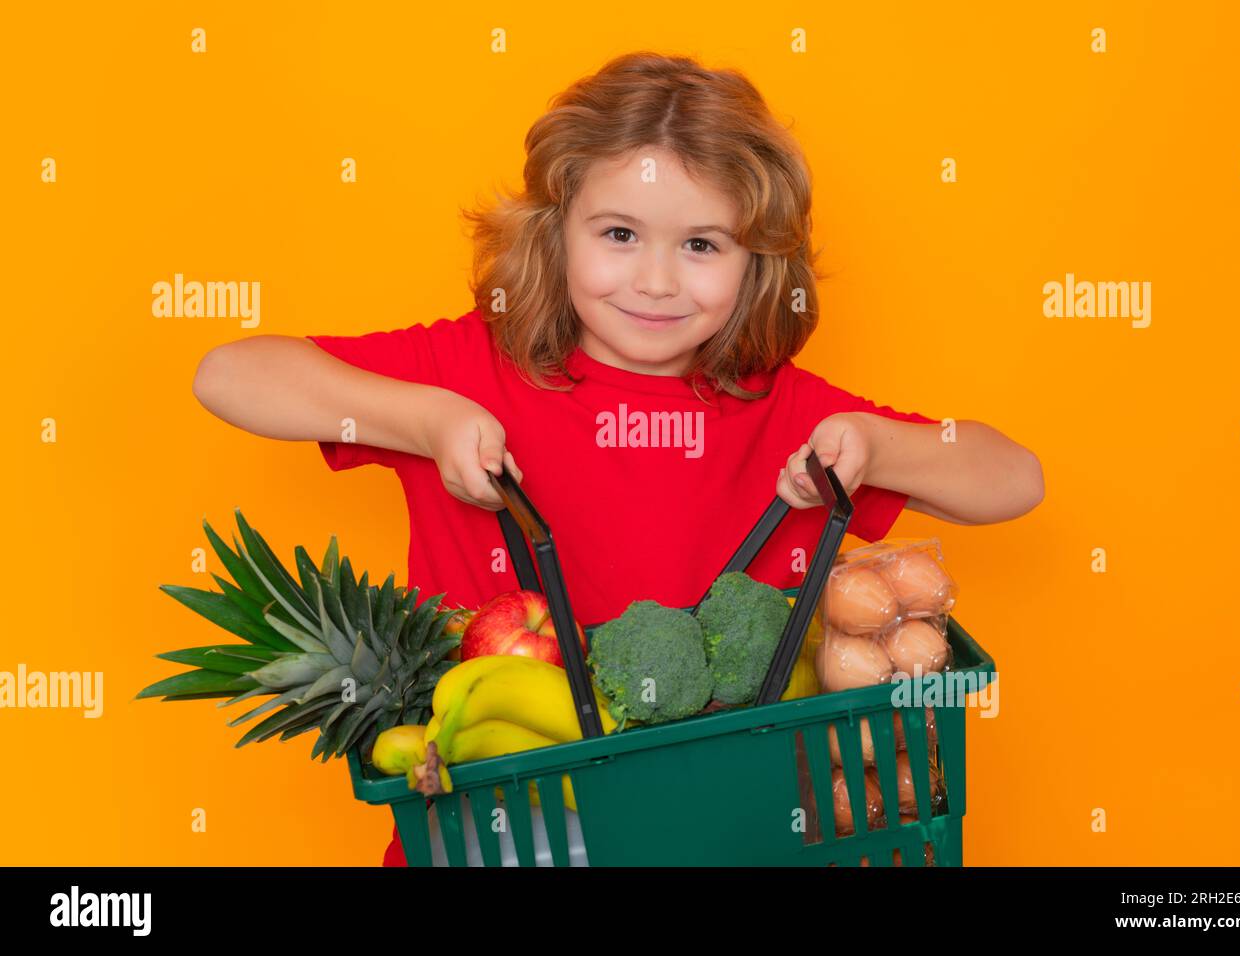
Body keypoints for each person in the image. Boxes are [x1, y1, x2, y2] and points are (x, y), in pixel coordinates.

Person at [191, 51, 1044, 867]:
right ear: (555, 232)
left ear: (758, 267)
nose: (658, 281)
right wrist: (424, 418)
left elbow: (1016, 479)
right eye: (620, 234)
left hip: (726, 836)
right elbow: (230, 375)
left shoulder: (781, 409)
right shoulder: (473, 370)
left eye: (703, 245)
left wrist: (877, 444)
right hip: (494, 835)